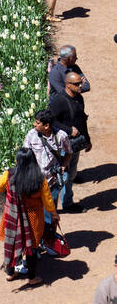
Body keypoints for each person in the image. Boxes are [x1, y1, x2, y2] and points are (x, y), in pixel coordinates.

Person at [0, 147, 55, 288]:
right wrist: (54, 213)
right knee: (32, 247)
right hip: (34, 219)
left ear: (18, 161)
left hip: (13, 217)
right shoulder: (39, 178)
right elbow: (48, 201)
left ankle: (10, 273)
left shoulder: (10, 175)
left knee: (11, 243)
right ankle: (32, 278)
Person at [22, 109, 69, 249]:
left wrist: (63, 166)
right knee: (36, 213)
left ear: (46, 125)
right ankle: (37, 240)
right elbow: (24, 155)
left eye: (37, 123)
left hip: (52, 182)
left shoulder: (61, 136)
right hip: (35, 182)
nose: (34, 125)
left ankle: (47, 241)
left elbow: (69, 152)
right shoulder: (31, 135)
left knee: (50, 211)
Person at [48, 72, 92, 210]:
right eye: (77, 84)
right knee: (60, 178)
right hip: (61, 147)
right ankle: (51, 210)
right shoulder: (59, 101)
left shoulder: (79, 99)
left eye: (81, 83)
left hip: (74, 144)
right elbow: (50, 120)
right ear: (67, 85)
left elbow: (82, 120)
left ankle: (68, 203)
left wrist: (87, 139)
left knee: (71, 174)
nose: (81, 86)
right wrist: (68, 129)